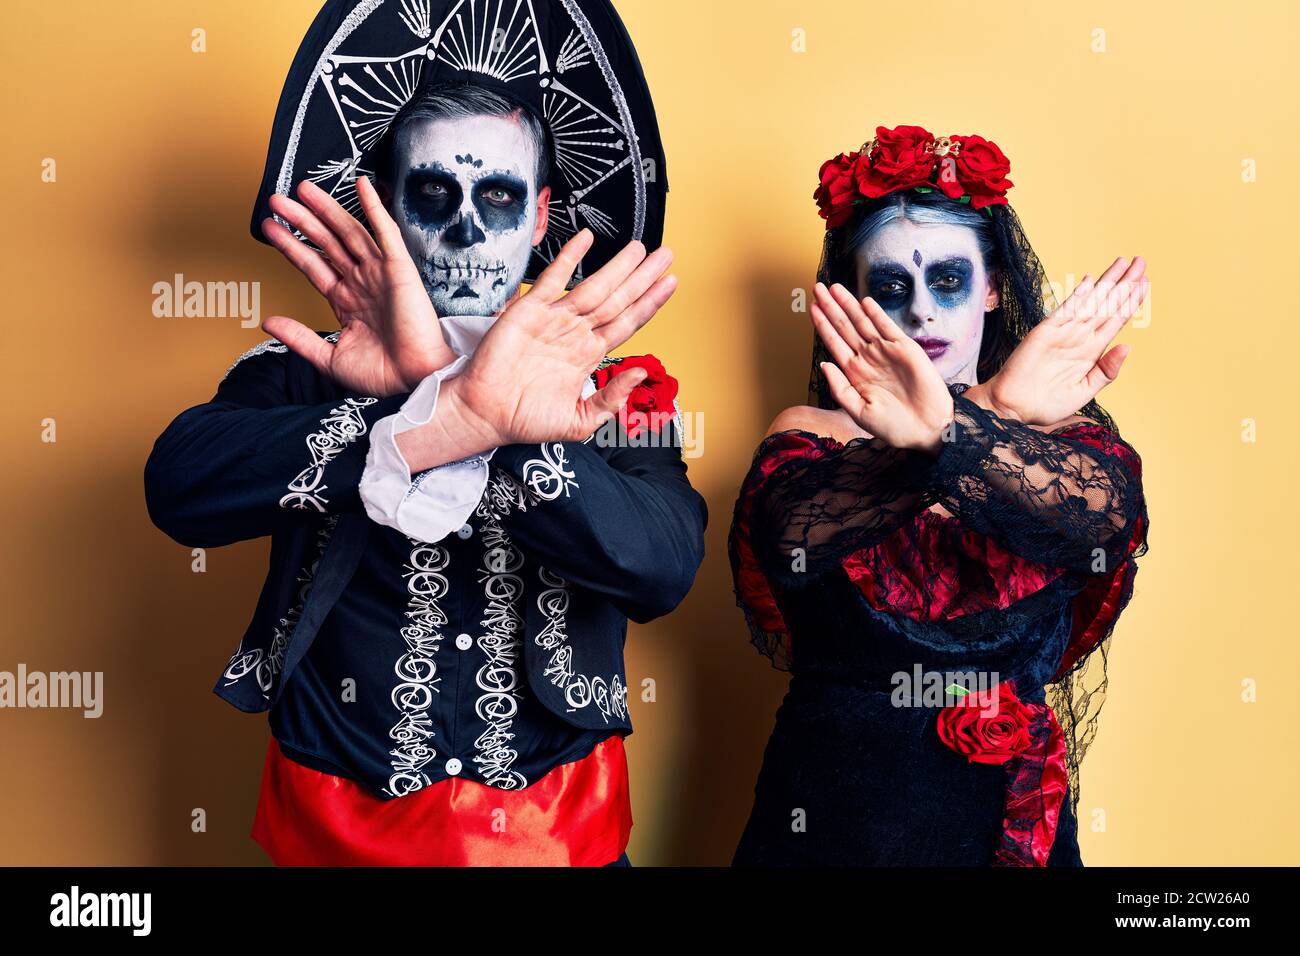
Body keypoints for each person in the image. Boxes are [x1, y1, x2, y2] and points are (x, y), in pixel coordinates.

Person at [144, 0, 705, 867]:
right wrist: (424, 415)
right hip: (333, 829)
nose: (468, 233)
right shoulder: (305, 367)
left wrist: (494, 422)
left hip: (557, 835)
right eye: (434, 196)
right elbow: (179, 489)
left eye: (500, 197)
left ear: (542, 213)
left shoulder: (616, 390)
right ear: (389, 212)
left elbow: (661, 568)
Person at [728, 124, 1150, 866]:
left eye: (947, 280)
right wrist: (974, 422)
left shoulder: (1061, 441)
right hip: (828, 818)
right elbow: (789, 544)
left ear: (992, 286)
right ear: (855, 301)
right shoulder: (811, 431)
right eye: (890, 287)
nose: (921, 311)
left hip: (1003, 825)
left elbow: (1106, 526)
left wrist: (972, 425)